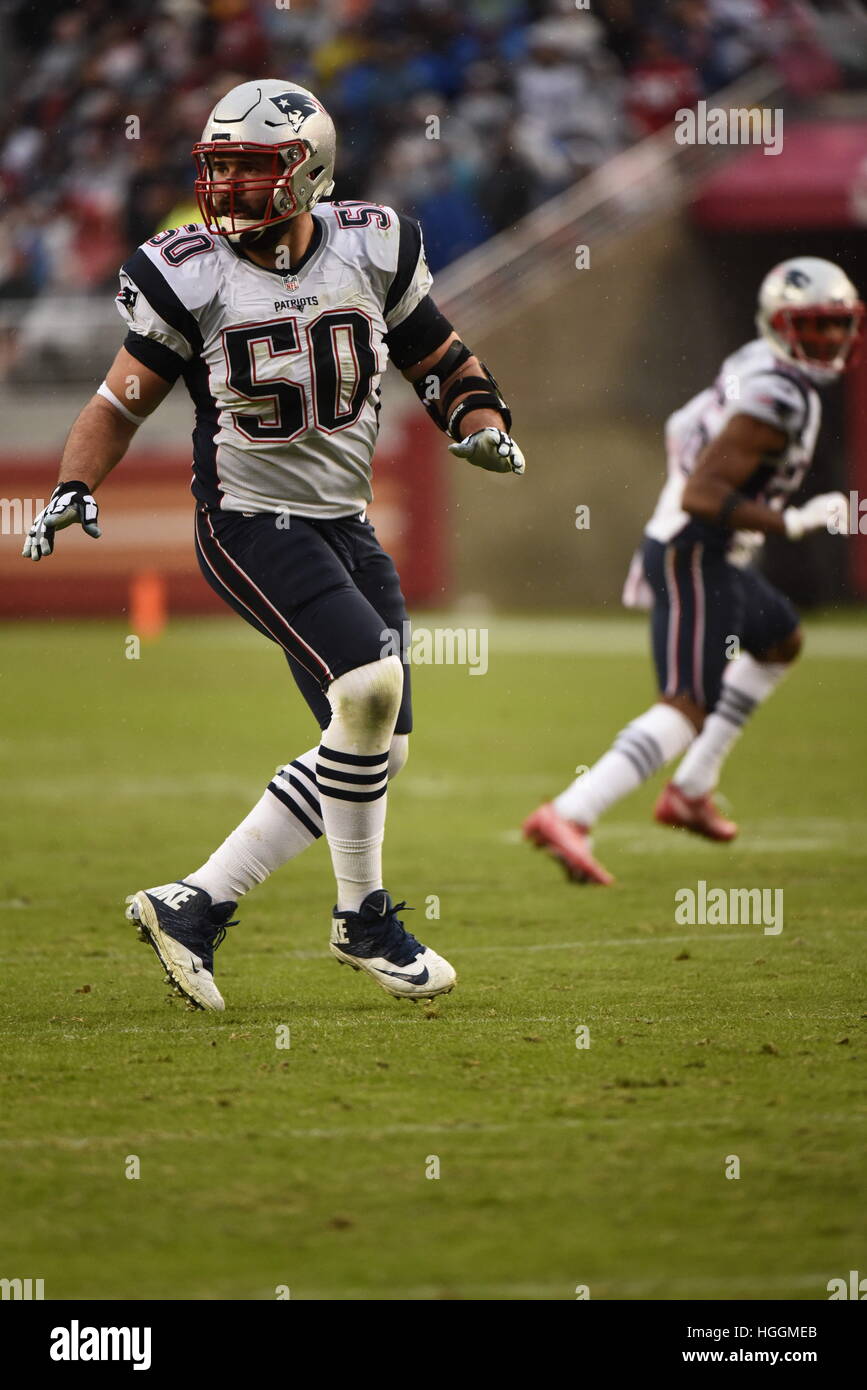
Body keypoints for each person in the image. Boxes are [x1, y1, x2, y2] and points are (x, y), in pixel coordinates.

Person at [23, 80, 526, 1007]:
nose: (229, 192)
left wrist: (477, 418)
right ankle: (290, 914)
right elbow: (116, 402)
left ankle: (270, 911)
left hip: (343, 520)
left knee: (378, 739)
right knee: (368, 691)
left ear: (308, 172)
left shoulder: (372, 248)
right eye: (219, 170)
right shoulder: (192, 271)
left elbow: (441, 359)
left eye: (251, 172)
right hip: (247, 521)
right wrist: (72, 483)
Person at [524, 256, 861, 884]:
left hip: (712, 551)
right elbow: (702, 495)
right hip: (695, 551)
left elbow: (683, 428)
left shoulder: (755, 366)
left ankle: (692, 788)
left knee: (781, 638)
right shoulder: (777, 396)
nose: (830, 341)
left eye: (838, 326)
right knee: (686, 705)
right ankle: (571, 812)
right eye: (815, 327)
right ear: (780, 325)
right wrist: (790, 522)